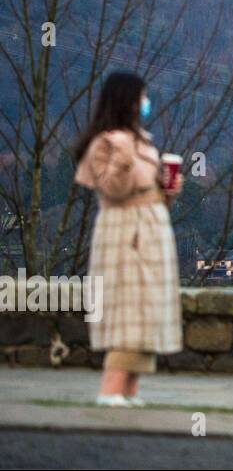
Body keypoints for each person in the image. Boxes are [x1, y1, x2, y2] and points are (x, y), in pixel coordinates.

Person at [73, 71, 184, 407]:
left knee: (148, 307)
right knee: (130, 307)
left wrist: (168, 191)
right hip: (127, 233)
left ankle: (129, 388)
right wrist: (122, 157)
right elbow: (112, 188)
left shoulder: (141, 142)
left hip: (150, 228)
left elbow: (146, 191)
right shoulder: (107, 142)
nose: (145, 103)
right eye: (141, 97)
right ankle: (111, 387)